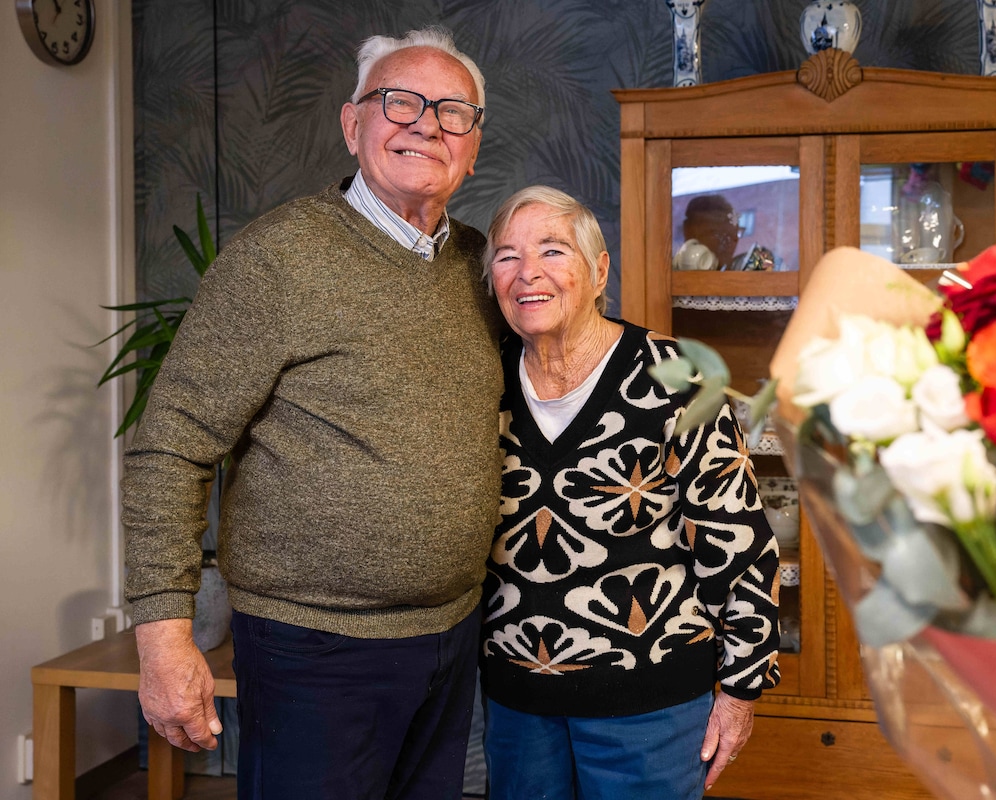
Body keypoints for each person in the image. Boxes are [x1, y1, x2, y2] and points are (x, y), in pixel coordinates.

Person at [122, 27, 502, 800]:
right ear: (352, 125)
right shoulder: (277, 259)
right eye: (400, 102)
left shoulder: (480, 264)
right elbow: (172, 447)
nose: (426, 123)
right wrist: (165, 639)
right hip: (312, 649)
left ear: (472, 143)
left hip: (451, 635)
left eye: (452, 111)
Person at [479, 185, 781, 800]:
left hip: (652, 707)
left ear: (599, 270)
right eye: (506, 256)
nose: (527, 273)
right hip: (518, 704)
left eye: (552, 250)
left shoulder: (675, 379)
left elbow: (740, 542)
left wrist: (741, 690)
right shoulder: (481, 380)